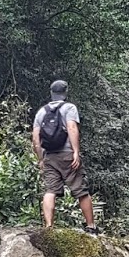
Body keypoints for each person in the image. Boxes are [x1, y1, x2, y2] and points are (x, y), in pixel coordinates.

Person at [32, 79, 99, 234]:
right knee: (81, 191)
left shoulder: (41, 111)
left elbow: (35, 137)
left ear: (51, 93)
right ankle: (91, 226)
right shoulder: (69, 108)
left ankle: (48, 227)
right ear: (65, 92)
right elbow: (72, 127)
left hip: (49, 156)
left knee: (50, 190)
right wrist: (76, 152)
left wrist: (41, 159)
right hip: (67, 155)